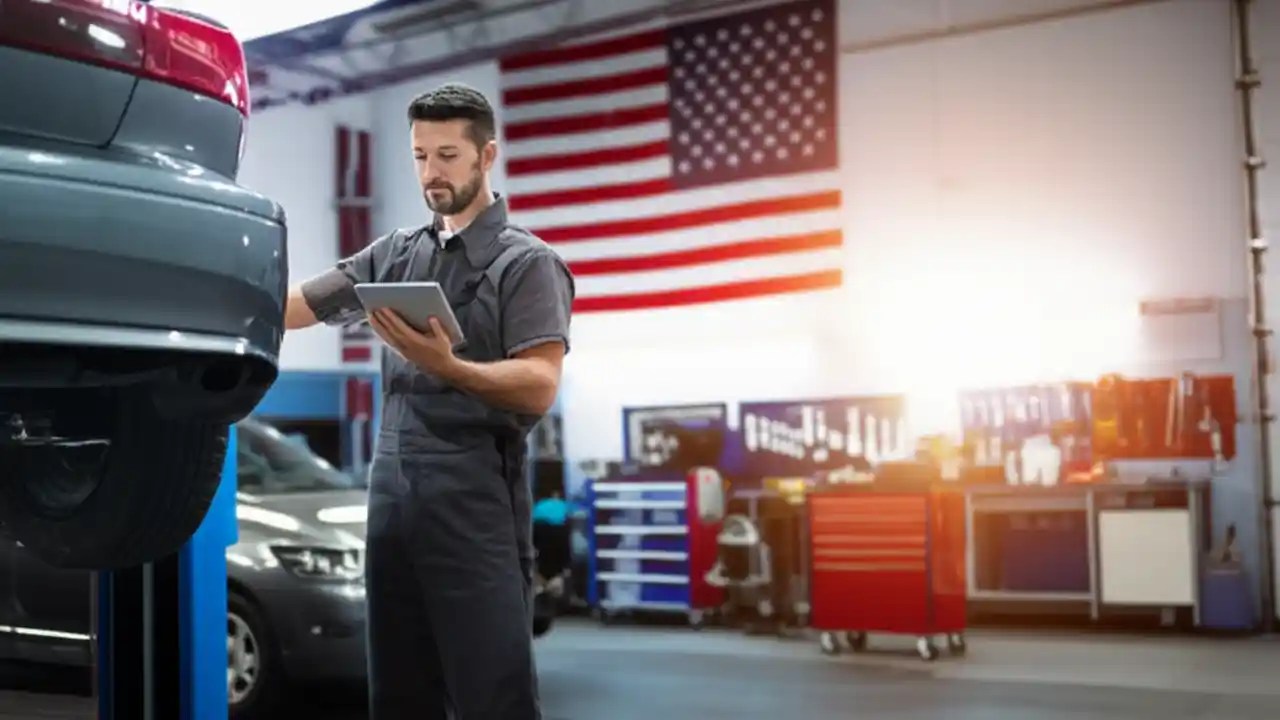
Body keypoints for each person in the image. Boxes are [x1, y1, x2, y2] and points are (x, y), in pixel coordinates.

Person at [282, 82, 574, 720]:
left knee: (490, 692)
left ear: (485, 155)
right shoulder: (395, 253)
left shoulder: (528, 265)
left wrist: (448, 366)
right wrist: (216, 297)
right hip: (391, 499)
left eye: (447, 155)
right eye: (419, 156)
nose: (430, 172)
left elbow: (539, 382)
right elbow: (302, 304)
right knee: (397, 690)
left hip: (475, 501)